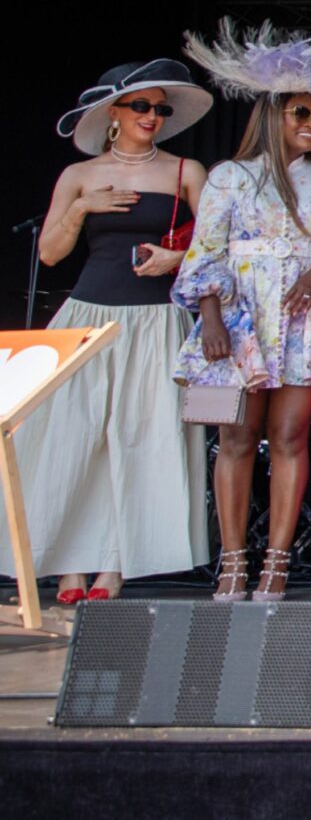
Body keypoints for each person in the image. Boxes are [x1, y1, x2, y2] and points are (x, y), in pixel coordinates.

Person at [175, 20, 311, 602]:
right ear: (272, 115)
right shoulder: (229, 177)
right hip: (239, 323)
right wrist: (211, 319)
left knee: (290, 436)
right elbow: (204, 253)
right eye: (301, 114)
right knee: (237, 437)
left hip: (304, 320)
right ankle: (233, 562)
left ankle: (278, 563)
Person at [0, 62, 212, 603]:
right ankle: (67, 563)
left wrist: (176, 256)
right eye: (141, 105)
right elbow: (50, 253)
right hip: (87, 318)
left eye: (161, 108)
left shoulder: (187, 170)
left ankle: (115, 565)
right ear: (113, 114)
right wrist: (81, 209)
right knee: (69, 437)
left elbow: (219, 248)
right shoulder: (79, 176)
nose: (152, 116)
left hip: (156, 320)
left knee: (140, 438)